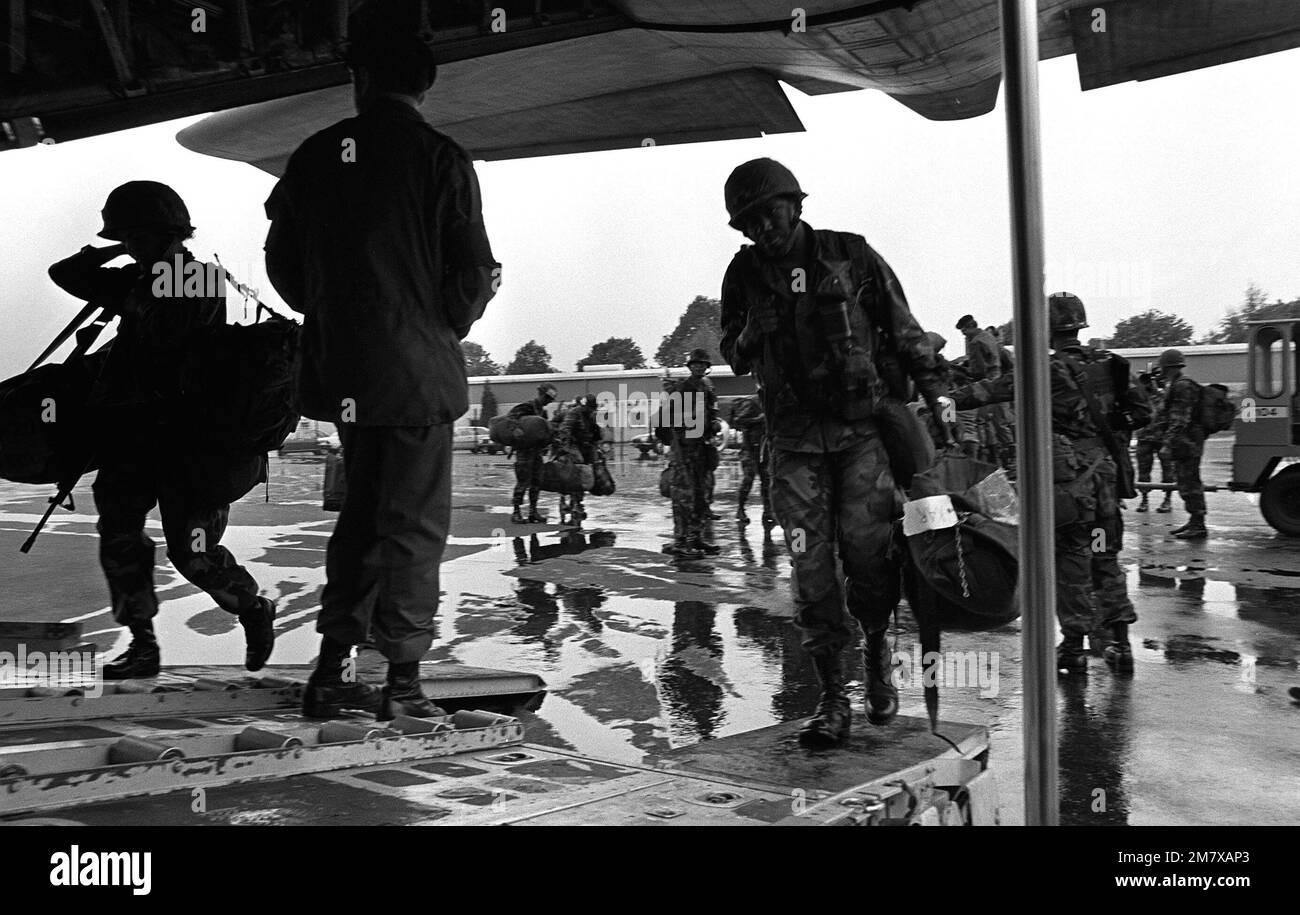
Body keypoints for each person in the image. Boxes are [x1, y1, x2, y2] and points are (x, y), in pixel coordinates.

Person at [264, 28, 499, 719]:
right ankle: (402, 684)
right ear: (424, 86)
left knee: (362, 521)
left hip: (345, 373)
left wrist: (344, 316)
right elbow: (476, 272)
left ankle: (331, 673)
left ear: (360, 80)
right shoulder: (440, 158)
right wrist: (437, 328)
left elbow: (286, 268)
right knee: (413, 527)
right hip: (416, 375)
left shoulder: (314, 157)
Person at [719, 158, 951, 746]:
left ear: (795, 205)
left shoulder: (851, 254)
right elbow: (733, 353)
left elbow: (903, 327)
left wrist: (937, 397)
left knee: (869, 556)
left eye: (768, 215)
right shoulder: (742, 274)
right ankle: (831, 697)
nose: (762, 230)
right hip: (795, 444)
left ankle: (875, 647)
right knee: (811, 570)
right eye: (749, 224)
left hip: (859, 435)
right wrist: (752, 332)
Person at [47, 181, 275, 679]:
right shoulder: (137, 278)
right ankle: (142, 644)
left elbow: (171, 343)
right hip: (135, 435)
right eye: (124, 236)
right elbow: (64, 273)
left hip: (191, 442)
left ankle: (253, 609)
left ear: (166, 232)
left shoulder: (199, 280)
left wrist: (142, 284)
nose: (129, 245)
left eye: (136, 235)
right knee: (120, 531)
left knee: (191, 553)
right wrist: (115, 251)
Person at [951, 292, 1147, 674]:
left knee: (1072, 561)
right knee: (1105, 558)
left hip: (1069, 487)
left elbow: (989, 390)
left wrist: (942, 399)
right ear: (1079, 325)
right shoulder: (1112, 364)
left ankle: (1073, 646)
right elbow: (1142, 412)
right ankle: (1120, 645)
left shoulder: (1045, 369)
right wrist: (1103, 430)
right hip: (1105, 483)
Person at [658, 350, 720, 558]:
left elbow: (713, 412)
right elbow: (666, 418)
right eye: (695, 364)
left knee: (701, 494)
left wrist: (714, 423)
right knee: (682, 495)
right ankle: (680, 541)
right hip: (683, 448)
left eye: (703, 364)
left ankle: (696, 537)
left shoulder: (707, 387)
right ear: (690, 366)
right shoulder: (682, 388)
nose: (699, 367)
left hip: (701, 447)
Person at [1156, 349, 1208, 540]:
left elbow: (1180, 419)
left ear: (1166, 366)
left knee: (1190, 482)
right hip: (1187, 440)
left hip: (1187, 441)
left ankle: (1198, 524)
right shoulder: (1177, 384)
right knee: (1186, 481)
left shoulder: (1182, 386)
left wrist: (1167, 444)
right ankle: (1194, 521)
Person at [508, 383, 557, 523]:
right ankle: (516, 512)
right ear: (541, 394)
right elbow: (510, 417)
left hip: (536, 452)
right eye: (546, 398)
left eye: (549, 399)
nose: (547, 401)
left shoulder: (543, 412)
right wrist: (516, 429)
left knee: (537, 482)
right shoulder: (527, 407)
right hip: (524, 451)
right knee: (523, 481)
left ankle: (533, 511)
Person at [555, 393, 602, 528]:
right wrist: (566, 448)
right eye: (589, 409)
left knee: (588, 473)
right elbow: (565, 429)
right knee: (574, 471)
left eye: (593, 409)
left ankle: (577, 502)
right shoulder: (573, 413)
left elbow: (596, 433)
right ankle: (567, 500)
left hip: (586, 446)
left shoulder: (591, 415)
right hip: (572, 446)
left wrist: (596, 451)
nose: (591, 411)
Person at [729, 392, 773, 528]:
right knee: (748, 478)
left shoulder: (770, 402)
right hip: (749, 448)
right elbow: (738, 421)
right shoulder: (751, 403)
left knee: (766, 479)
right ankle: (740, 509)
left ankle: (768, 511)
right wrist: (759, 419)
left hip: (763, 448)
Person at [1134, 370, 1174, 513]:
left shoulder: (1164, 396)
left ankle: (1167, 500)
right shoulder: (1139, 398)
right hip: (1144, 438)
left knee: (1168, 471)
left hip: (1163, 439)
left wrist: (1158, 388)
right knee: (1143, 472)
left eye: (1148, 382)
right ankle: (1144, 500)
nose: (1147, 385)